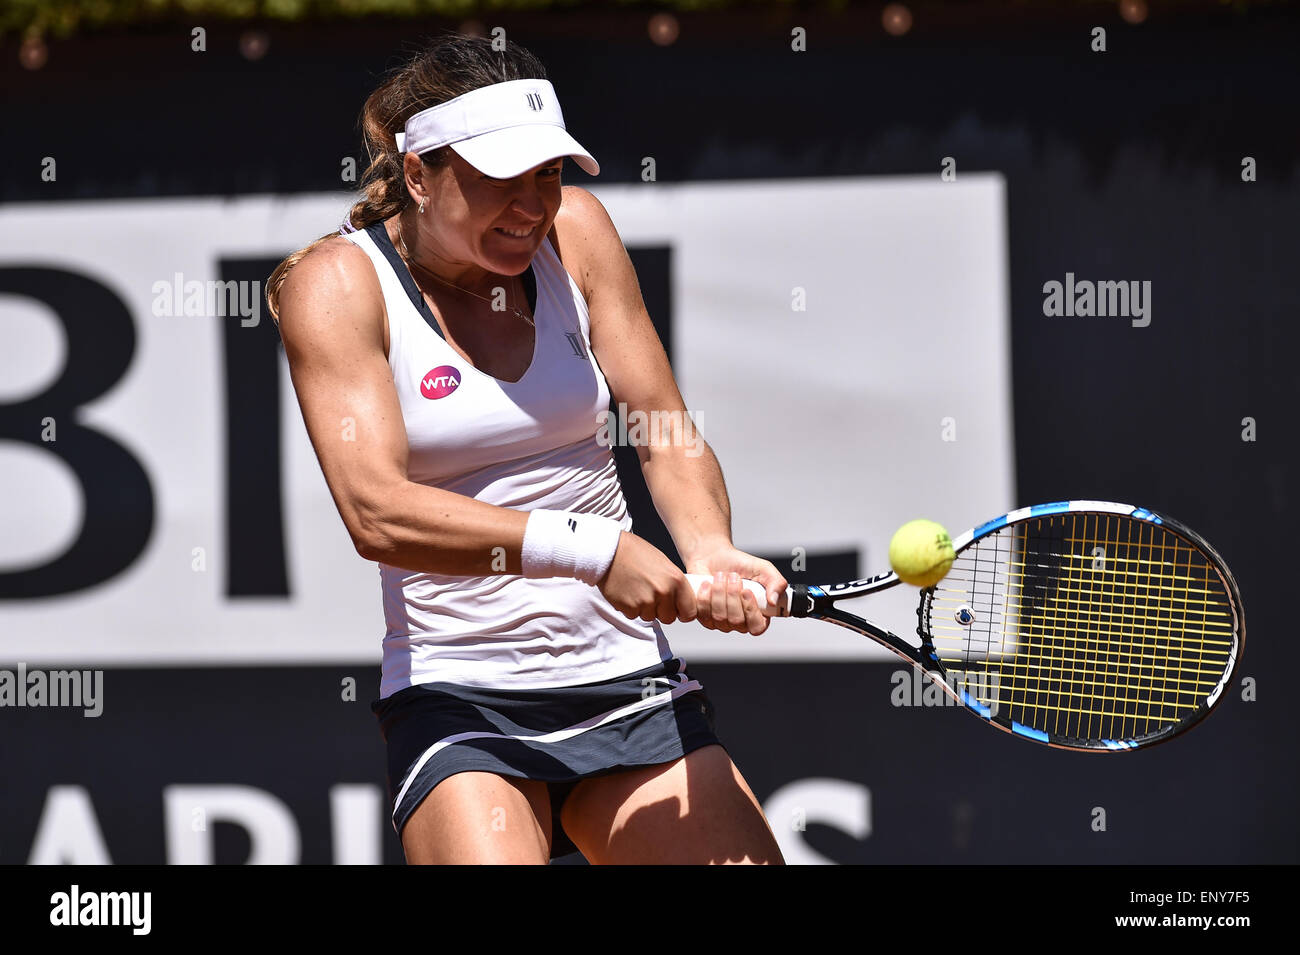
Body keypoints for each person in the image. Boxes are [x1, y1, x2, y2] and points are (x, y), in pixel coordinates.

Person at [266, 34, 787, 865]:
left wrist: (710, 548)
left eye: (546, 174)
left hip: (626, 678)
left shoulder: (577, 231)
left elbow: (659, 421)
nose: (530, 205)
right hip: (460, 695)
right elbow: (375, 510)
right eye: (497, 179)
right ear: (416, 175)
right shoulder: (332, 285)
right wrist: (591, 549)